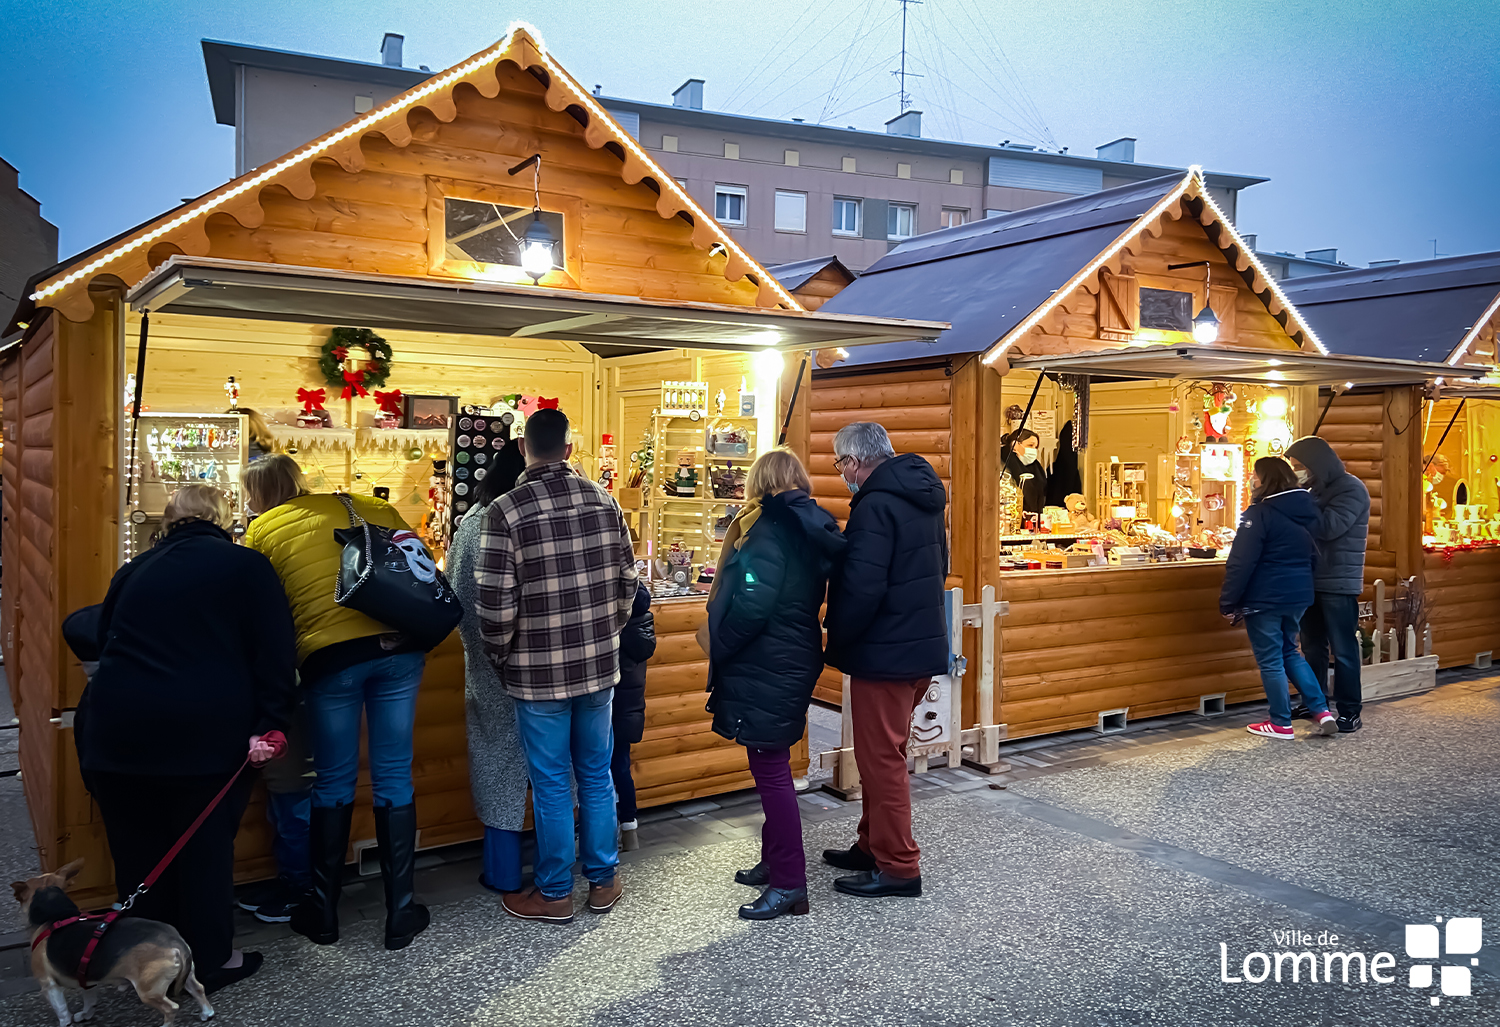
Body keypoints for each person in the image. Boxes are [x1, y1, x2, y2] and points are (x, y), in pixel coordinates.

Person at [75, 484, 296, 993]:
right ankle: (211, 962)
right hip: (203, 734)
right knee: (203, 853)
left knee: (139, 856)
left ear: (169, 521)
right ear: (223, 519)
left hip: (115, 732)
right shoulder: (246, 566)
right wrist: (272, 722)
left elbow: (102, 636)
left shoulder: (134, 569)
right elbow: (275, 651)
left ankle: (146, 965)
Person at [242, 454, 431, 950]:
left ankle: (322, 913)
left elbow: (259, 605)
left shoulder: (262, 530)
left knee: (332, 779)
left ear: (257, 496)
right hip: (401, 646)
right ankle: (401, 913)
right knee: (394, 774)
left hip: (331, 659)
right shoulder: (369, 505)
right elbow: (420, 563)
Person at [476, 409, 638, 924]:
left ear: (524, 448)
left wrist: (502, 658)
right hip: (598, 668)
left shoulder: (504, 511)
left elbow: (493, 605)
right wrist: (606, 634)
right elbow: (628, 583)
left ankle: (554, 893)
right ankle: (604, 880)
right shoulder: (604, 500)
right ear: (569, 450)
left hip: (536, 674)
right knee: (595, 775)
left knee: (550, 783)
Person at [707, 449, 844, 920]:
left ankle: (789, 884)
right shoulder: (809, 524)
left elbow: (753, 601)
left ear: (759, 484)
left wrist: (721, 643)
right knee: (771, 762)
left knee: (770, 771)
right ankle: (774, 861)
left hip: (768, 658)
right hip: (791, 653)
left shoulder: (768, 529)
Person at [824, 422, 948, 899]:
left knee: (881, 761)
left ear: (855, 462)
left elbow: (862, 586)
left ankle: (898, 865)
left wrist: (837, 637)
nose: (841, 473)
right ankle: (871, 845)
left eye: (840, 464)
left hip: (884, 653)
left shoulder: (875, 504)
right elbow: (938, 566)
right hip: (917, 646)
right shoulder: (923, 496)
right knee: (883, 755)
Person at [448, 439, 530, 894]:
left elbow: (457, 597)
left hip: (488, 663)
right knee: (560, 768)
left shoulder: (475, 524)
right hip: (552, 664)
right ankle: (565, 867)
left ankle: (502, 872)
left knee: (497, 762)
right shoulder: (545, 510)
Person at [1219, 457, 1339, 740]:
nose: (1251, 480)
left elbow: (1241, 561)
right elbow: (1314, 555)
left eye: (1255, 475)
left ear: (1266, 480)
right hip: (1298, 594)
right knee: (1290, 651)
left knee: (1271, 659)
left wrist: (1228, 601)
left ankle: (1281, 723)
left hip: (1265, 597)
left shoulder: (1258, 514)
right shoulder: (1308, 511)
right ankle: (1322, 711)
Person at [1285, 435, 1371, 733]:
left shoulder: (1351, 488)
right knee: (1312, 647)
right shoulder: (1312, 489)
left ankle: (1350, 710)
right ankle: (1316, 703)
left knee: (1343, 649)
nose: (1297, 471)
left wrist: (1298, 505)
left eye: (1299, 465)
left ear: (1316, 463)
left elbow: (1330, 527)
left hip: (1338, 581)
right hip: (1310, 579)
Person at [613, 579, 656, 846]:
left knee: (594, 771)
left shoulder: (613, 625)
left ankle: (601, 832)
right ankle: (630, 830)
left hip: (604, 709)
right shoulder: (642, 624)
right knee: (621, 766)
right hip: (629, 711)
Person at [1002, 428, 1047, 516]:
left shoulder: (1035, 466)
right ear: (1015, 445)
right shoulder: (1003, 463)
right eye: (1030, 445)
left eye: (1035, 447)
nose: (1033, 450)